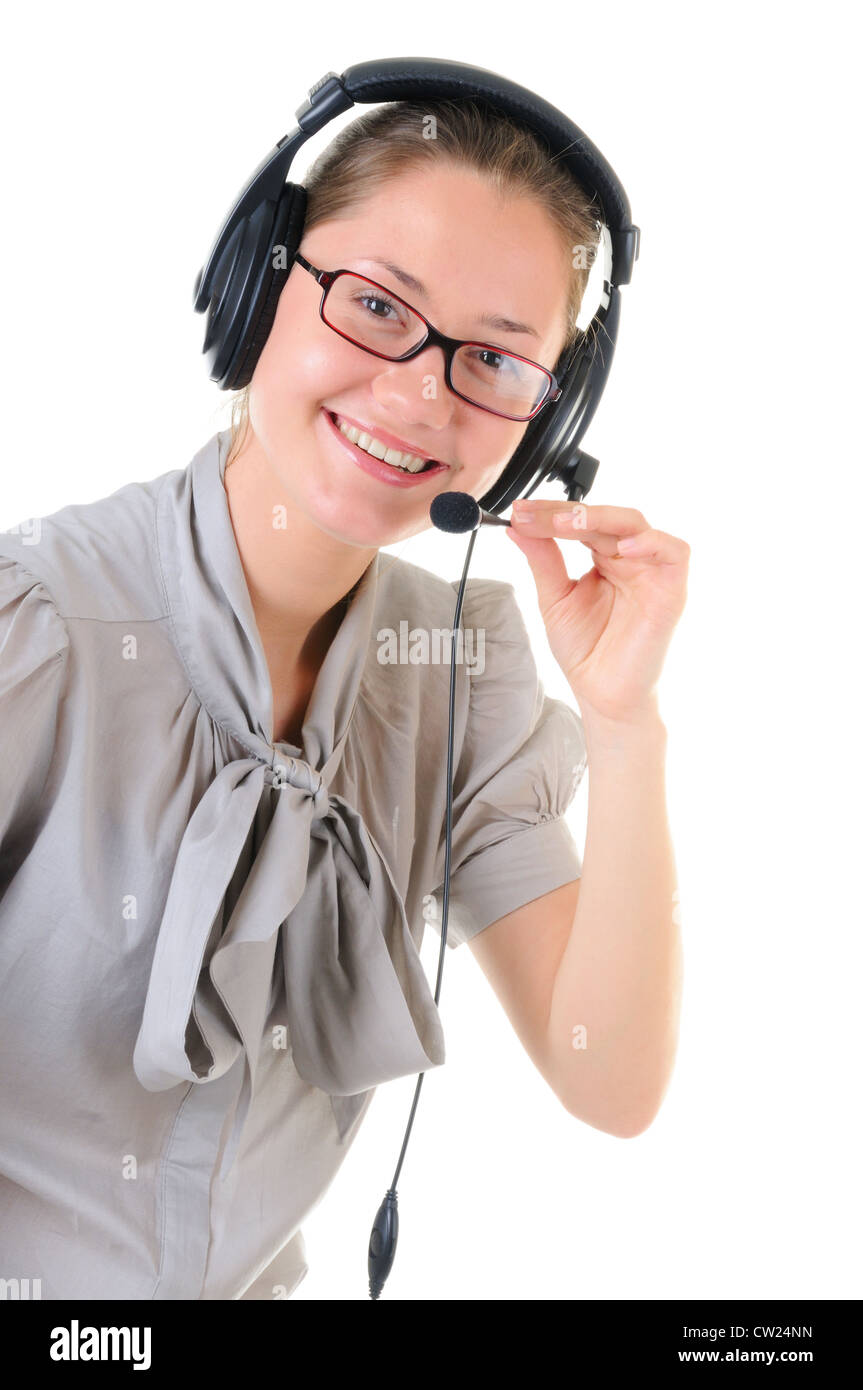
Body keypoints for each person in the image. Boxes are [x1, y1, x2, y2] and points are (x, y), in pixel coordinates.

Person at [0, 98, 689, 1300]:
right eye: (376, 303)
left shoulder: (458, 670)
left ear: (546, 422)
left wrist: (625, 722)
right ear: (254, 287)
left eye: (494, 357)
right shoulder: (41, 627)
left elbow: (608, 1079)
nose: (422, 395)